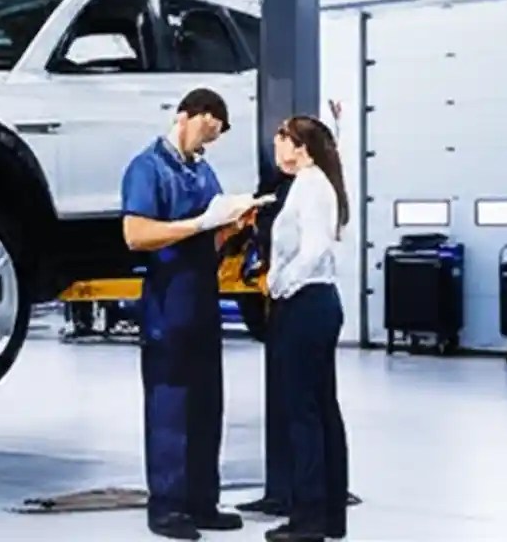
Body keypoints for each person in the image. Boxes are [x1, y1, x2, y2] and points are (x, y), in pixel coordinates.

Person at [121, 87, 268, 540]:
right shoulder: (147, 168)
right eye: (205, 130)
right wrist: (197, 225)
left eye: (215, 137)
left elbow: (212, 236)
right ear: (185, 116)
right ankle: (166, 507)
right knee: (170, 407)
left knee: (207, 405)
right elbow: (136, 234)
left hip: (203, 300)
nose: (207, 143)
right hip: (168, 302)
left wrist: (232, 225)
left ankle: (202, 501)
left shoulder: (203, 173)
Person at [258, 115, 351, 542]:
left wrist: (280, 284)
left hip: (304, 304)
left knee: (303, 416)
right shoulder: (313, 183)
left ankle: (308, 521)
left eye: (284, 137)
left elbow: (315, 247)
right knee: (321, 410)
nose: (277, 142)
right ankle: (329, 516)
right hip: (318, 305)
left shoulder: (312, 186)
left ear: (303, 149)